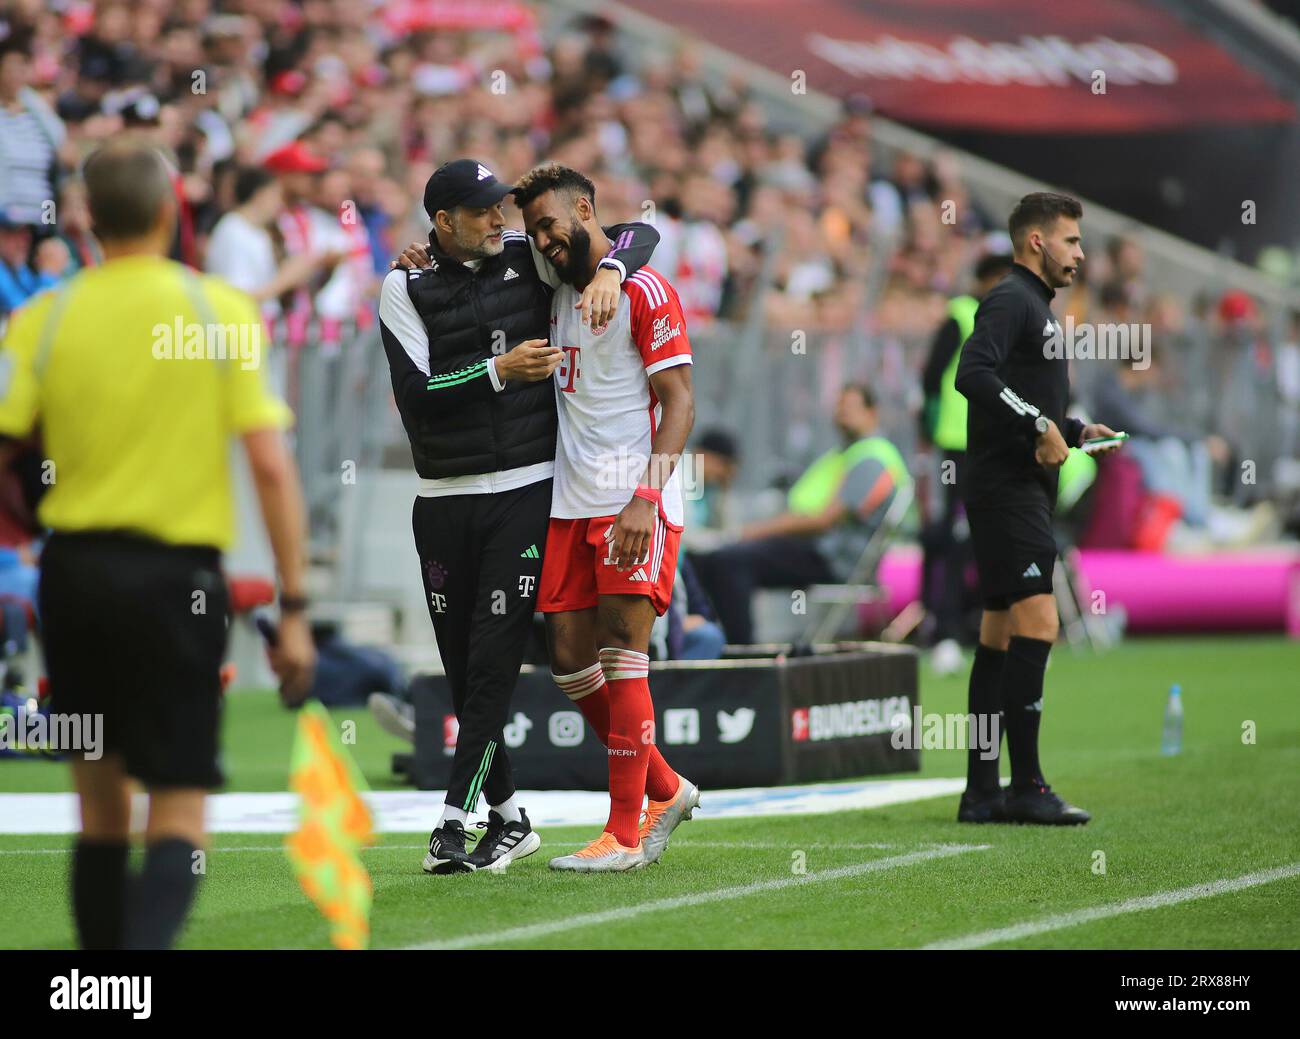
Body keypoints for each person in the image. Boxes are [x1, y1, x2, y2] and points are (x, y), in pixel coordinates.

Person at [0, 140, 314, 949]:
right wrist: (296, 603)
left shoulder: (46, 314)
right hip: (180, 581)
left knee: (100, 810)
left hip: (73, 574)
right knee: (178, 804)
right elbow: (272, 468)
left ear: (87, 221)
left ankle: (105, 990)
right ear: (174, 212)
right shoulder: (220, 310)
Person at [381, 159, 663, 874]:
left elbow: (631, 232)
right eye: (483, 211)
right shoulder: (402, 284)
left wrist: (613, 274)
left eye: (503, 207)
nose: (502, 220)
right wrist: (497, 372)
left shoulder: (527, 259)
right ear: (442, 223)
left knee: (495, 661)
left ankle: (452, 819)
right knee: (462, 664)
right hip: (442, 498)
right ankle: (511, 818)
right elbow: (415, 394)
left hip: (527, 490)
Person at [513, 163, 699, 873]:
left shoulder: (645, 289)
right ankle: (665, 786)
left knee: (623, 652)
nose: (542, 239)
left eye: (550, 223)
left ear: (585, 209)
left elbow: (680, 403)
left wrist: (647, 500)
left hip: (633, 500)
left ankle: (624, 833)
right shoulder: (557, 288)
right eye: (532, 230)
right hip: (572, 499)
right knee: (568, 657)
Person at [953, 191, 1119, 826]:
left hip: (1015, 488)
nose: (1080, 253)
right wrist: (1039, 424)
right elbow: (974, 373)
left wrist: (1074, 431)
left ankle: (980, 791)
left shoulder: (1037, 308)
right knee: (1040, 623)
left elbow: (1024, 397)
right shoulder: (1010, 298)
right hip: (1007, 491)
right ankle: (1026, 786)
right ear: (1036, 242)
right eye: (1071, 241)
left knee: (998, 633)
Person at [691, 384, 910, 645]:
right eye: (839, 407)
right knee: (709, 559)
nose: (841, 414)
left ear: (872, 413)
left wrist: (748, 533)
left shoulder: (872, 458)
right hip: (813, 548)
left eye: (850, 407)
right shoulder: (846, 454)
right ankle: (703, 644)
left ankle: (743, 654)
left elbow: (824, 521)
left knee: (732, 561)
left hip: (831, 557)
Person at [917, 252, 1012, 669]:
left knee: (984, 536)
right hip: (959, 445)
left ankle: (986, 627)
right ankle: (944, 628)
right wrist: (928, 429)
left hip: (994, 443)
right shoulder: (961, 316)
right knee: (955, 535)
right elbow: (931, 378)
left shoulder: (1006, 319)